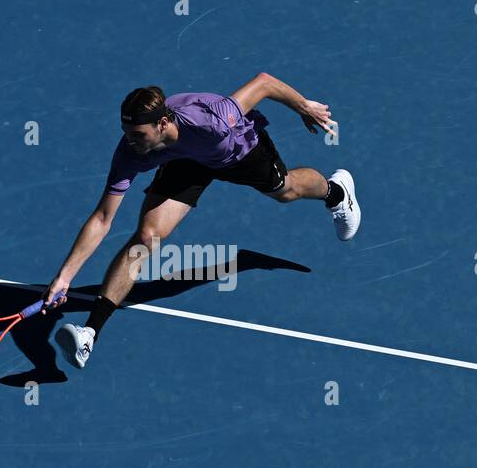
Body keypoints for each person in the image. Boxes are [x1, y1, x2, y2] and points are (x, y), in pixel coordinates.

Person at [43, 73, 359, 368]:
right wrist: (65, 277)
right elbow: (102, 218)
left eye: (138, 134)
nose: (130, 142)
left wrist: (304, 106)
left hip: (238, 152)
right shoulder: (132, 152)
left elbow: (263, 83)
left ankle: (336, 193)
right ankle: (90, 334)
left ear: (163, 123)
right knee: (146, 238)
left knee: (286, 191)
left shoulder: (214, 119)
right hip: (185, 161)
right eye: (126, 133)